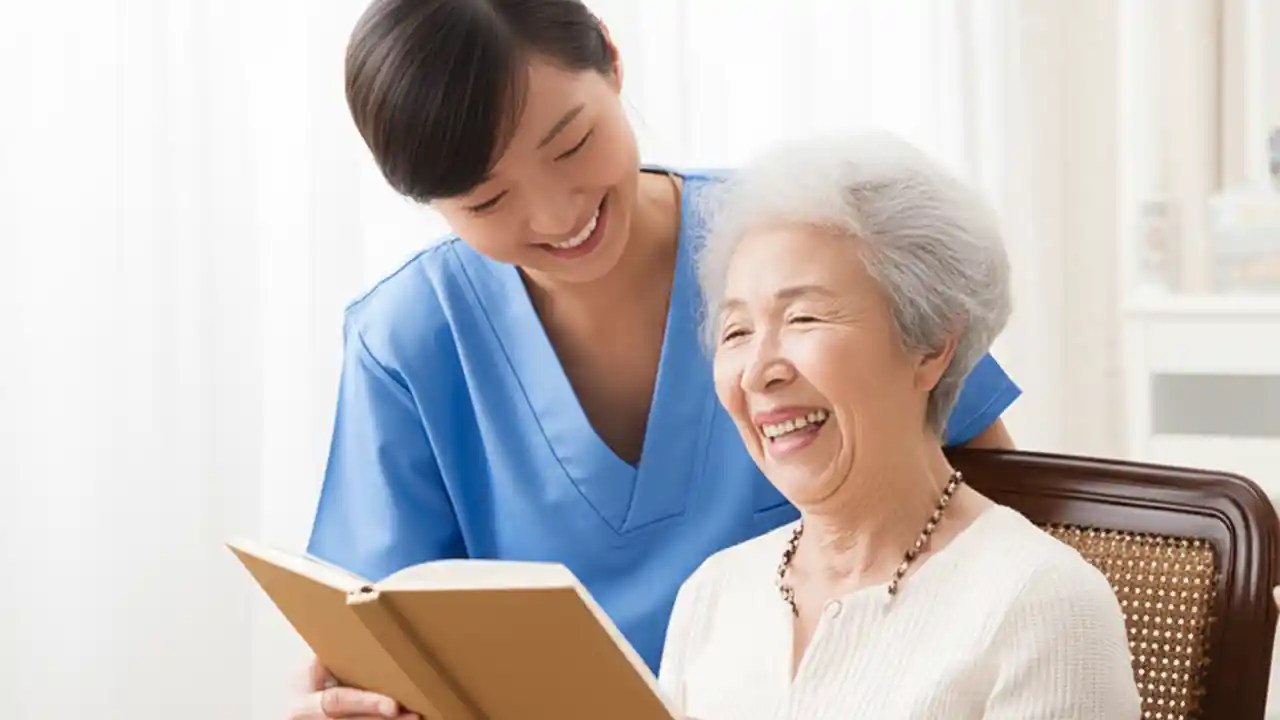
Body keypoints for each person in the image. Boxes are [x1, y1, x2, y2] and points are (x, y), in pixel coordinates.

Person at [291, 1, 1023, 718]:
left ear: (611, 60)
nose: (555, 215)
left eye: (571, 145)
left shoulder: (807, 246)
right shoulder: (409, 340)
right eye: (488, 201)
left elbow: (1003, 513)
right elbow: (378, 632)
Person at [656, 133, 1141, 719]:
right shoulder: (713, 595)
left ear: (931, 345)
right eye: (736, 331)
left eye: (803, 317)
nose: (759, 371)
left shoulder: (1038, 604)